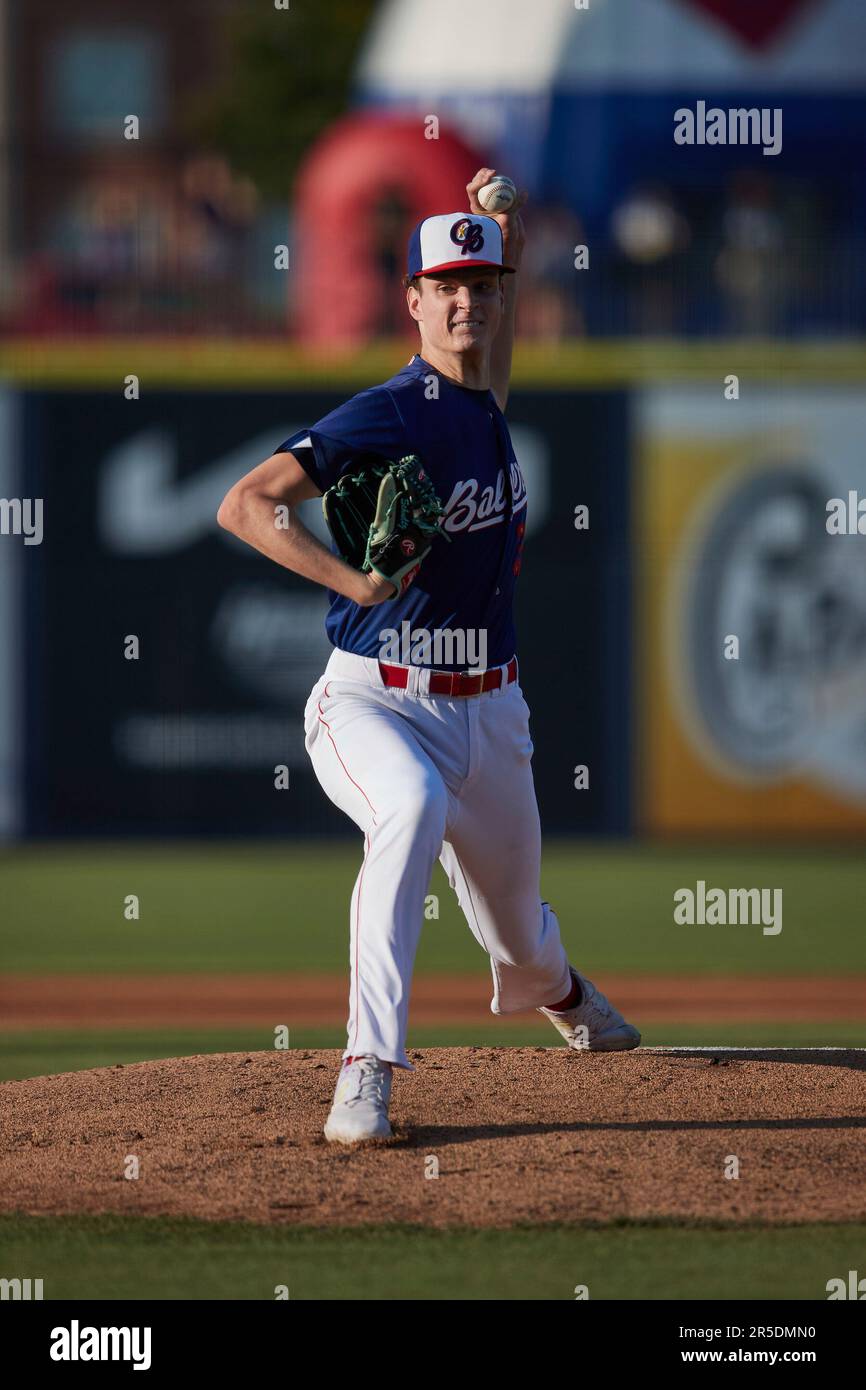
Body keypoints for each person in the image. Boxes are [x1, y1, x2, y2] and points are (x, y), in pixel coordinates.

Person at [216, 168, 640, 1144]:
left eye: (479, 288)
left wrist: (505, 234)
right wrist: (347, 580)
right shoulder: (389, 410)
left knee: (519, 941)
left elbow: (497, 318)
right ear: (408, 301)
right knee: (405, 809)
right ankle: (367, 1068)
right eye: (443, 286)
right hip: (376, 700)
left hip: (490, 713)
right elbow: (244, 503)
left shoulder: (486, 396)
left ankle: (564, 995)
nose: (464, 302)